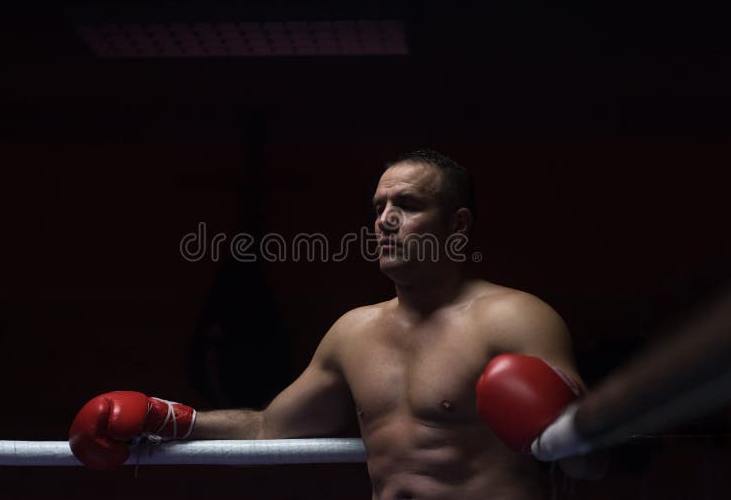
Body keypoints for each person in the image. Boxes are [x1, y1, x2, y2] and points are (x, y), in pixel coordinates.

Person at [70, 149, 592, 499]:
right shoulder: (354, 333)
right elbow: (268, 427)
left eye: (407, 205)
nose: (385, 220)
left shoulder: (515, 317)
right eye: (378, 206)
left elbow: (587, 463)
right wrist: (166, 419)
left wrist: (574, 432)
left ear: (457, 225)